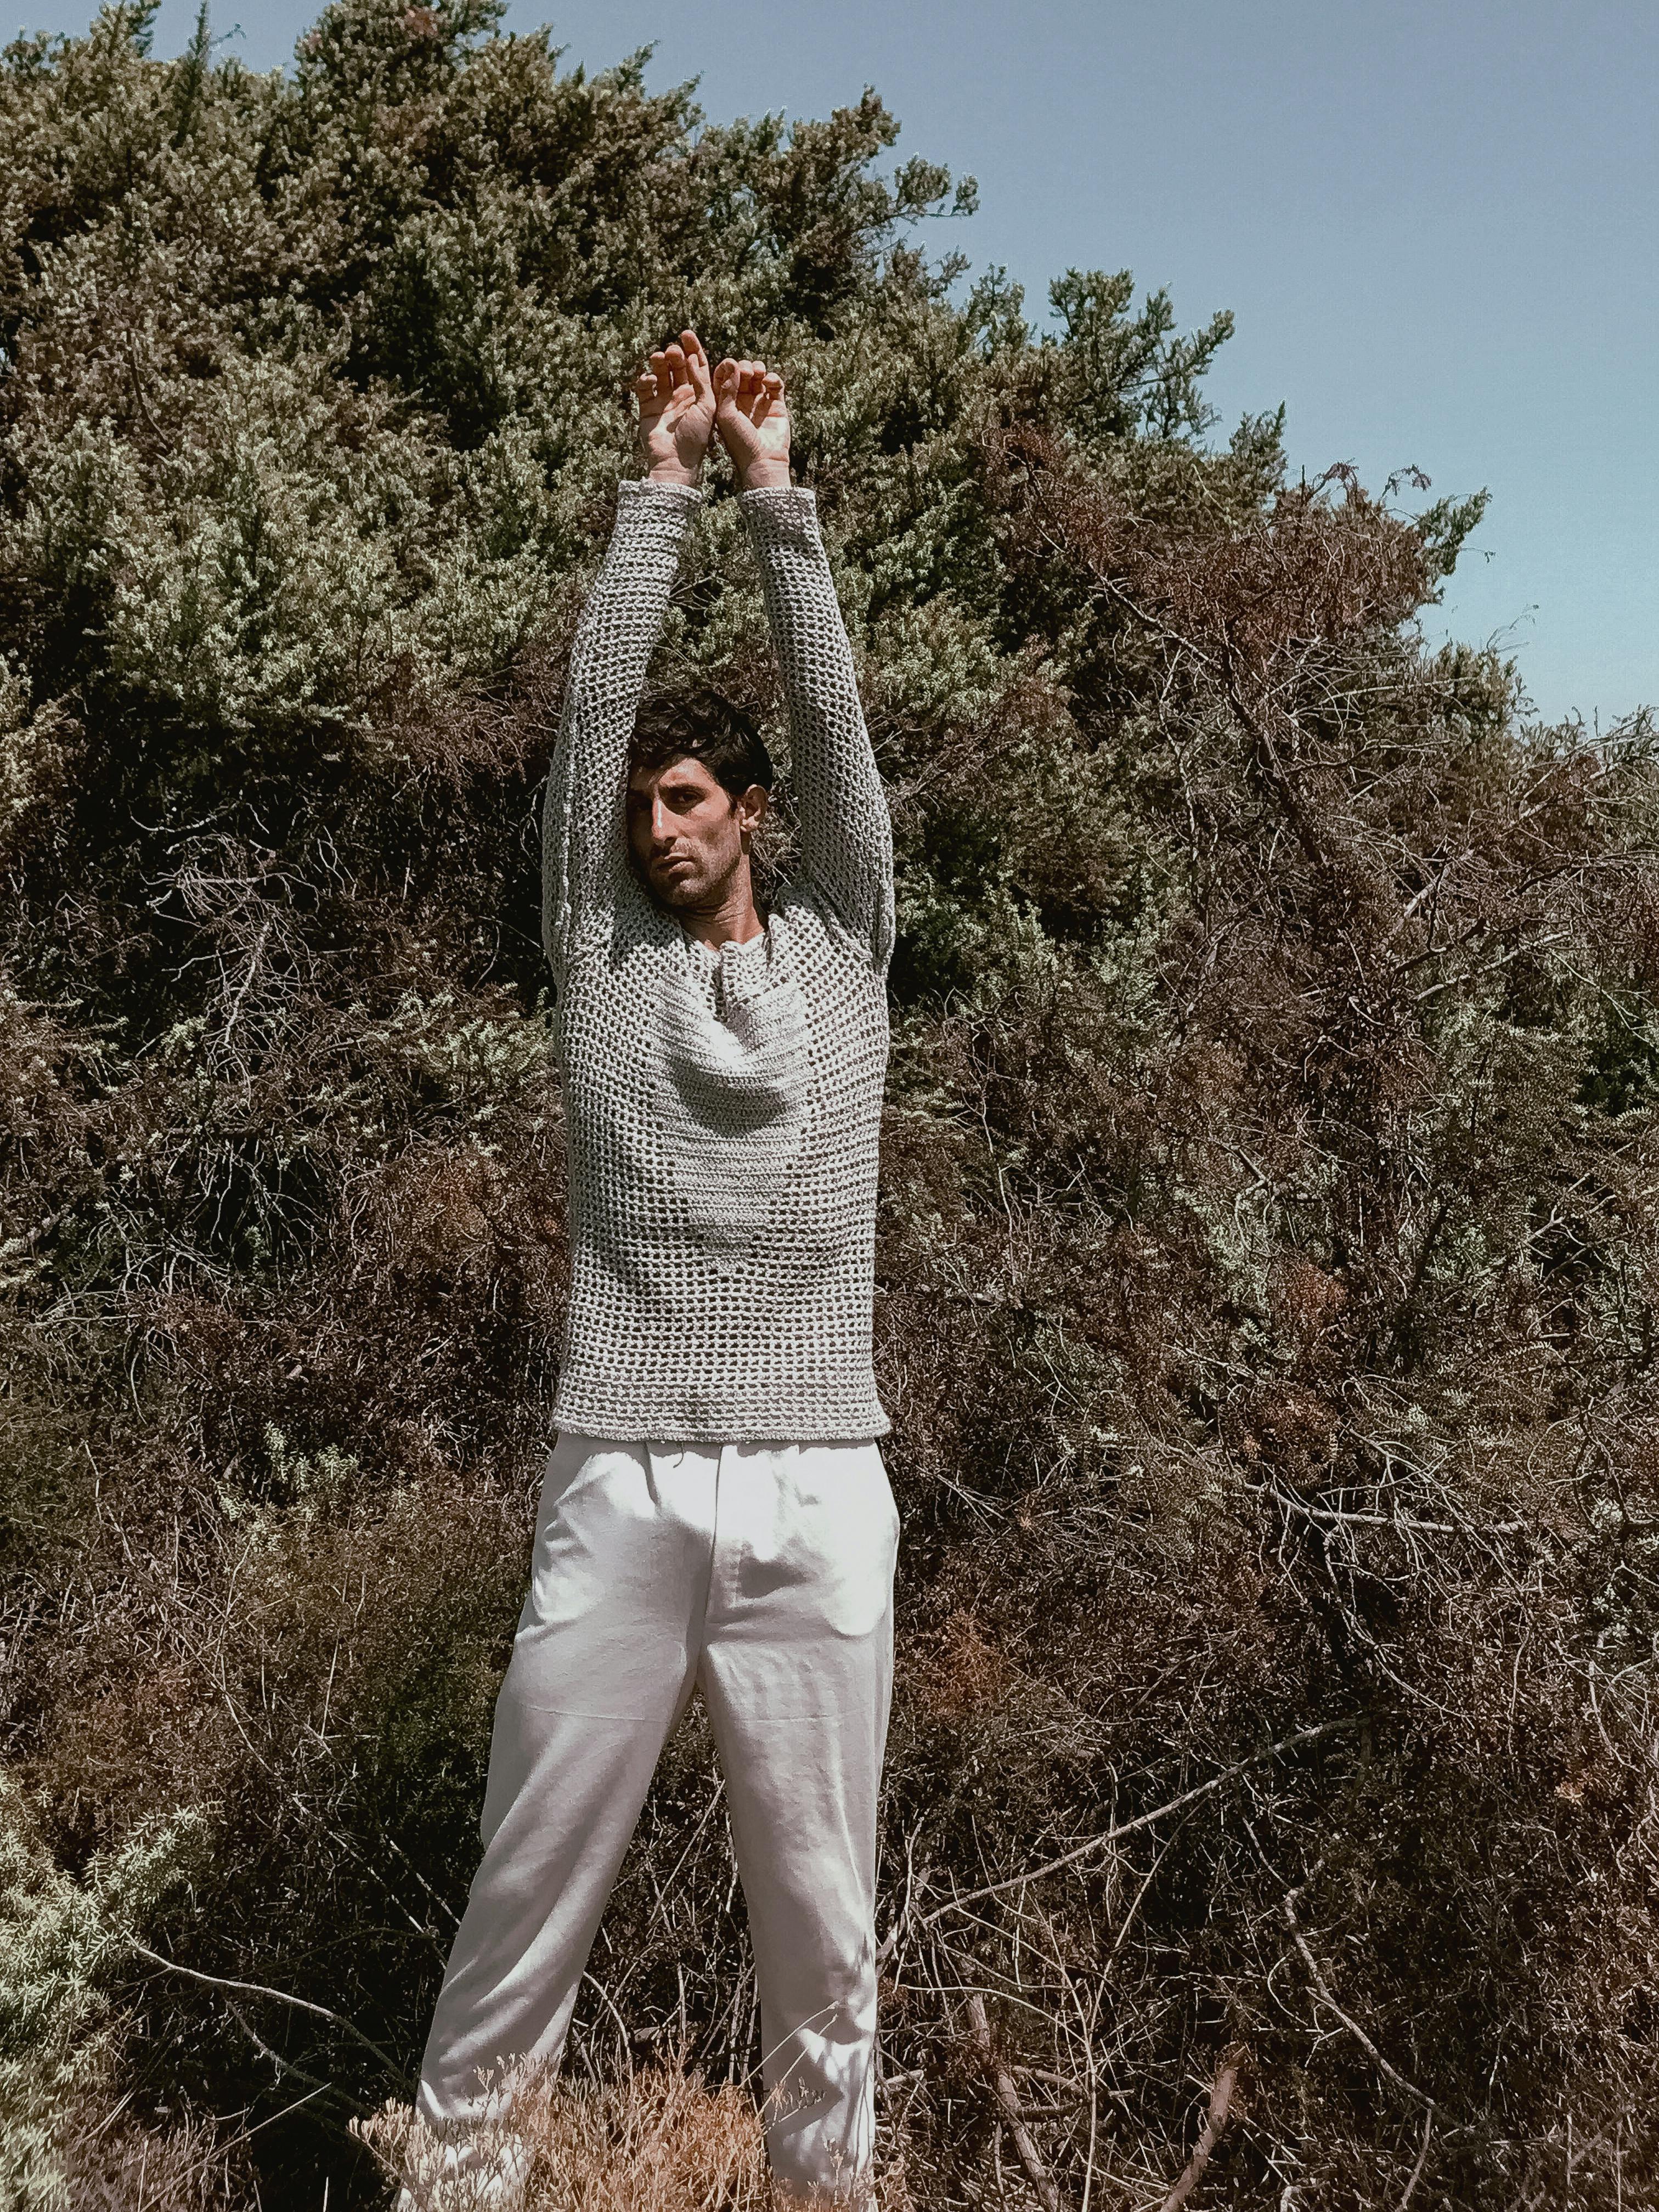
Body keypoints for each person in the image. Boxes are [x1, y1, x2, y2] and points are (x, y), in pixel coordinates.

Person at [398, 331, 898, 2210]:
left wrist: (778, 501)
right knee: (528, 1879)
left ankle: (823, 2191)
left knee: (823, 1919)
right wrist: (659, 492)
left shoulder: (852, 960)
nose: (659, 822)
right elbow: (589, 722)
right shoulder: (598, 970)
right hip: (621, 1466)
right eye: (648, 803)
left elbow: (842, 737)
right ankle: (459, 2183)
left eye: (697, 799)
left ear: (753, 813)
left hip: (821, 1484)